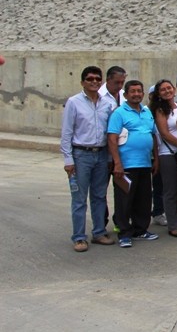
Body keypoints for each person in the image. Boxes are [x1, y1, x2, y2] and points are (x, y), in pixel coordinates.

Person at [61, 66, 115, 252]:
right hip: (81, 155)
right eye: (90, 79)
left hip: (101, 154)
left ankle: (99, 232)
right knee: (79, 199)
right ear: (83, 82)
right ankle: (79, 237)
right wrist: (68, 160)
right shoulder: (74, 103)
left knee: (99, 196)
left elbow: (110, 133)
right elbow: (67, 133)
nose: (94, 82)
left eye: (97, 79)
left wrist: (109, 157)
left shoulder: (106, 104)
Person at [107, 80, 159, 248]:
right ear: (126, 94)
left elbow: (153, 136)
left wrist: (156, 159)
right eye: (133, 91)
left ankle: (140, 229)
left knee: (143, 199)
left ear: (143, 94)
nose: (136, 94)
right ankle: (124, 233)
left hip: (145, 163)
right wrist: (117, 163)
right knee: (124, 200)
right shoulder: (119, 113)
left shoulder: (147, 112)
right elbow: (112, 139)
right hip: (126, 165)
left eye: (139, 91)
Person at [149, 79, 177, 237]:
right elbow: (164, 133)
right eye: (163, 89)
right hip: (168, 153)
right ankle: (172, 225)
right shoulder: (160, 110)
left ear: (174, 89)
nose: (167, 91)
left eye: (169, 88)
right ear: (158, 94)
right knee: (170, 190)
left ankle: (175, 219)